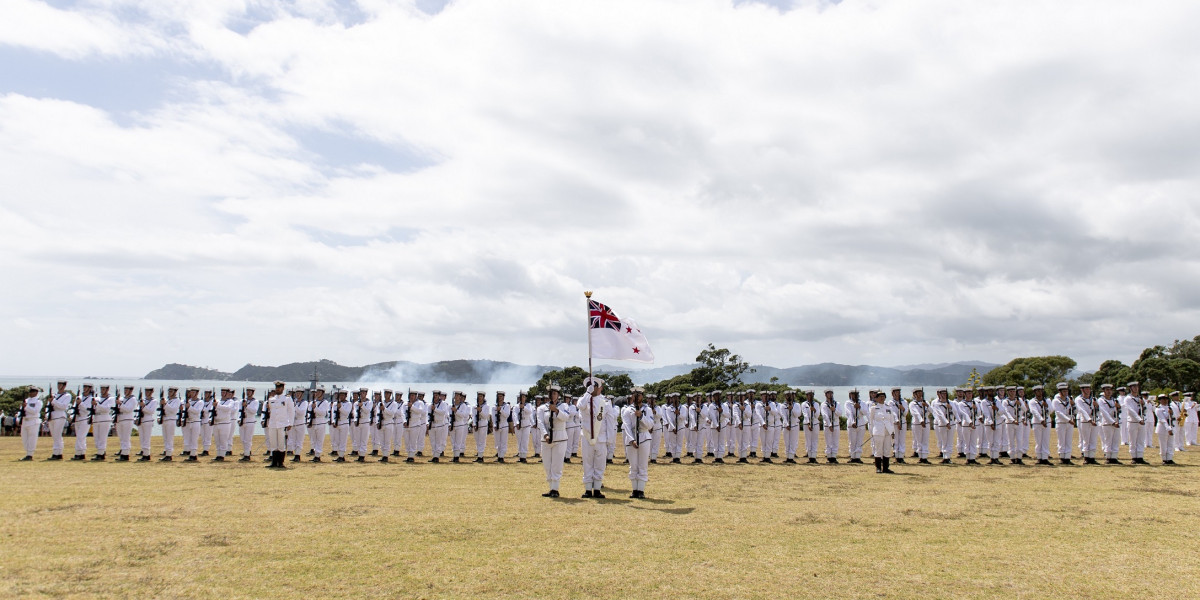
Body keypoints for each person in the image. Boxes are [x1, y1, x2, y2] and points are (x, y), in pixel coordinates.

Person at [578, 377, 612, 498]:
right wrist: (588, 393)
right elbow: (580, 406)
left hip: (601, 437)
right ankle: (588, 489)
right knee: (587, 463)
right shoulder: (584, 399)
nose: (593, 389)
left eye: (594, 387)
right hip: (587, 436)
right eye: (590, 387)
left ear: (599, 388)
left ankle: (597, 489)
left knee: (599, 464)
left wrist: (610, 439)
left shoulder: (605, 402)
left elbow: (610, 421)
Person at [622, 387, 654, 498]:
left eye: (639, 395)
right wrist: (632, 440)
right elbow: (626, 426)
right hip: (631, 439)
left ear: (642, 397)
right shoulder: (627, 410)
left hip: (644, 436)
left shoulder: (647, 409)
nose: (636, 397)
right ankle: (634, 490)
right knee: (633, 465)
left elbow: (650, 425)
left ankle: (641, 490)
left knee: (643, 465)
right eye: (634, 395)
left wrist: (641, 416)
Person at [538, 384, 569, 497]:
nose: (552, 396)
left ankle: (555, 489)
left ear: (558, 395)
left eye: (555, 394)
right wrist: (545, 435)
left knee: (557, 464)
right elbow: (540, 422)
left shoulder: (564, 406)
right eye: (551, 394)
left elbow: (566, 417)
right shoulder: (541, 408)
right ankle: (550, 487)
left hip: (560, 438)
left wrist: (555, 410)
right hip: (546, 439)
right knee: (547, 464)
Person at [264, 381, 294, 469]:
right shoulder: (271, 399)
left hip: (282, 424)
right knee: (273, 443)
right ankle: (274, 462)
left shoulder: (287, 399)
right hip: (273, 424)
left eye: (279, 388)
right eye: (276, 387)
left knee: (281, 444)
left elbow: (291, 411)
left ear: (282, 388)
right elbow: (270, 412)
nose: (277, 389)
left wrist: (290, 423)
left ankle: (280, 462)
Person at [868, 391, 897, 473]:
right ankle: (878, 467)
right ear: (876, 398)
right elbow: (871, 421)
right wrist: (872, 432)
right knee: (878, 450)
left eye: (883, 396)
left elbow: (891, 421)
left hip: (888, 431)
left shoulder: (888, 408)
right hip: (878, 431)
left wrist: (892, 431)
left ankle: (885, 468)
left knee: (887, 449)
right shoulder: (873, 408)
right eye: (880, 396)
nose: (882, 398)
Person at [1121, 382, 1148, 464]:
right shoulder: (1128, 398)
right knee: (1133, 440)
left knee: (1140, 440)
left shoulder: (1140, 398)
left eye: (1137, 386)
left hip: (1141, 421)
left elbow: (1145, 410)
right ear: (1130, 388)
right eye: (1134, 387)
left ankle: (1140, 456)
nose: (1136, 388)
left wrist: (1144, 405)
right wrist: (1138, 419)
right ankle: (1134, 457)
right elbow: (1130, 410)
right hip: (1133, 421)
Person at [43, 381, 69, 461]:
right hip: (52, 416)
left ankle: (57, 453)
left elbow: (63, 406)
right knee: (54, 436)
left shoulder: (67, 395)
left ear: (64, 386)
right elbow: (48, 406)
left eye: (61, 384)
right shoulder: (53, 395)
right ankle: (58, 452)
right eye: (58, 384)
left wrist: (53, 401)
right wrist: (47, 415)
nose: (59, 386)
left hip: (60, 416)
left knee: (57, 435)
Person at [1051, 382, 1075, 464]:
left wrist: (1073, 404)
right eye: (1064, 391)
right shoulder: (1056, 401)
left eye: (1066, 391)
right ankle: (1062, 457)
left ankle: (1067, 457)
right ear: (1060, 392)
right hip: (1061, 423)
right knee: (1061, 441)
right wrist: (1068, 420)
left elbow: (1075, 411)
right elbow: (1058, 412)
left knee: (1068, 441)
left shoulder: (1069, 400)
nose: (1066, 393)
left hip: (1069, 423)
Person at [1074, 383, 1099, 464]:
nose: (1088, 390)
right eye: (1086, 389)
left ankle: (1092, 457)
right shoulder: (1079, 399)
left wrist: (1097, 405)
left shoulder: (1093, 399)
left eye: (1089, 389)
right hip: (1085, 421)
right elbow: (1082, 410)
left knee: (1093, 439)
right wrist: (1089, 420)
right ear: (1082, 390)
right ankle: (1086, 457)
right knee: (1086, 440)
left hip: (1094, 421)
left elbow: (1098, 410)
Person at [1096, 384, 1121, 464]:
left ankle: (1114, 457)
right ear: (1103, 391)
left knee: (1115, 440)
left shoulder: (1114, 400)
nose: (1109, 392)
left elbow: (1117, 411)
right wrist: (1112, 422)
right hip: (1107, 423)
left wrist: (1118, 407)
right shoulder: (1101, 400)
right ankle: (1108, 457)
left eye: (1110, 390)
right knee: (1108, 441)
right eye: (1107, 390)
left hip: (1116, 422)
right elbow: (1104, 413)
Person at [90, 385, 115, 461]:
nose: (102, 391)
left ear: (107, 390)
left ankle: (100, 454)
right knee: (96, 437)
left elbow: (106, 409)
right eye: (101, 389)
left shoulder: (110, 399)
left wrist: (97, 405)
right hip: (96, 418)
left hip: (104, 418)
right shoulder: (97, 398)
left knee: (102, 437)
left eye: (104, 389)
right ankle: (100, 451)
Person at [17, 387, 42, 460]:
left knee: (32, 438)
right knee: (24, 438)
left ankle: (30, 455)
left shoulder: (38, 401)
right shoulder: (26, 400)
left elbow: (35, 411)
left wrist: (26, 406)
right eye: (30, 392)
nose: (30, 393)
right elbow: (20, 411)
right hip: (25, 420)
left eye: (32, 391)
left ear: (36, 392)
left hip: (33, 420)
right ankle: (27, 453)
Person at [71, 384, 96, 461]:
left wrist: (81, 403)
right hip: (78, 418)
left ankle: (78, 453)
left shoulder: (91, 398)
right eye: (84, 387)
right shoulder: (79, 397)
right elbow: (74, 407)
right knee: (80, 436)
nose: (84, 389)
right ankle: (82, 452)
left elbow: (87, 410)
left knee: (81, 436)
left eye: (86, 387)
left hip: (85, 418)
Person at [136, 386, 159, 461]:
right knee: (142, 438)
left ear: (152, 392)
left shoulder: (154, 401)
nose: (146, 393)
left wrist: (143, 406)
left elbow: (151, 411)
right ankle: (144, 452)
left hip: (147, 420)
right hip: (141, 420)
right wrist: (135, 418)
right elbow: (137, 410)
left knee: (146, 438)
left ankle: (147, 454)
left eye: (148, 391)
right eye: (146, 391)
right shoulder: (143, 400)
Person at [843, 390, 866, 463]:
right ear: (850, 395)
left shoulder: (862, 402)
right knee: (852, 441)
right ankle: (853, 456)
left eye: (856, 394)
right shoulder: (848, 403)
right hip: (852, 424)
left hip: (861, 423)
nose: (854, 396)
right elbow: (849, 413)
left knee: (859, 441)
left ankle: (858, 457)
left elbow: (865, 412)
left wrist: (860, 407)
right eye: (853, 394)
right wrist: (853, 422)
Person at [909, 388, 932, 464]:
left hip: (926, 423)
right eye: (917, 393)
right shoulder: (912, 404)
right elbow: (915, 413)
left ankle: (924, 457)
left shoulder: (926, 402)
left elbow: (932, 411)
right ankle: (920, 456)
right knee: (919, 440)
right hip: (917, 423)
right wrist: (921, 420)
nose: (919, 394)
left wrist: (927, 406)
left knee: (925, 440)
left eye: (920, 392)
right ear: (914, 395)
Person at [307, 388, 329, 462]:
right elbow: (309, 412)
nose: (317, 393)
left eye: (319, 392)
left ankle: (318, 455)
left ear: (322, 393)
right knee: (314, 439)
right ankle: (315, 453)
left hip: (321, 421)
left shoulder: (325, 402)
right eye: (317, 392)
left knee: (319, 440)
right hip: (313, 421)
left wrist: (315, 408)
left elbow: (323, 413)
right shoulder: (312, 403)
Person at [887, 388, 908, 463]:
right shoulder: (890, 402)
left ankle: (901, 456)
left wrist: (902, 408)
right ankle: (896, 455)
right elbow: (892, 413)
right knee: (896, 440)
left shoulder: (903, 402)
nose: (897, 394)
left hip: (903, 422)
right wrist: (897, 421)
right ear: (892, 394)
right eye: (895, 392)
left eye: (898, 392)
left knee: (902, 440)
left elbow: (906, 413)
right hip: (895, 423)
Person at [1154, 394, 1177, 465]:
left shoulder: (1170, 408)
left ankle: (1169, 458)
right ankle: (1164, 459)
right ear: (1160, 400)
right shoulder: (1158, 409)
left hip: (1171, 427)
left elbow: (1174, 417)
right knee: (1163, 444)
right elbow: (1162, 419)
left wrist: (1172, 413)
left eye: (1166, 399)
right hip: (1163, 428)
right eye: (1163, 399)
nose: (1165, 400)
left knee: (1170, 444)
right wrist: (1168, 429)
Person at [469, 392, 490, 463]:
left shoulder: (486, 406)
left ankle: (481, 456)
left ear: (483, 397)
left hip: (483, 423)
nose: (479, 398)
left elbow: (486, 416)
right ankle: (479, 454)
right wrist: (474, 424)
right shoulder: (474, 406)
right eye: (479, 396)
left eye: (481, 396)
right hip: (476, 424)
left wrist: (480, 411)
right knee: (477, 441)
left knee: (482, 441)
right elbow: (474, 416)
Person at [820, 390, 840, 463]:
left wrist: (835, 410)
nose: (830, 395)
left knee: (835, 441)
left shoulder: (837, 403)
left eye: (831, 393)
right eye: (828, 393)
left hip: (836, 424)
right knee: (828, 442)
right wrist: (829, 424)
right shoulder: (823, 404)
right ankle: (829, 457)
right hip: (828, 425)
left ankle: (834, 457)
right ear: (825, 395)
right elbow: (824, 415)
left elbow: (840, 413)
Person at [493, 391, 513, 462]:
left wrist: (500, 410)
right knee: (497, 442)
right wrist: (494, 425)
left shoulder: (506, 406)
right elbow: (493, 417)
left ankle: (502, 457)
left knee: (503, 442)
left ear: (503, 397)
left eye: (501, 396)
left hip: (504, 424)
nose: (499, 398)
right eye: (498, 396)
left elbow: (507, 415)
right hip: (497, 425)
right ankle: (499, 456)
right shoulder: (494, 406)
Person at [516, 392, 534, 463]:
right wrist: (517, 423)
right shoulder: (516, 406)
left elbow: (530, 412)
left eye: (523, 397)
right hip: (519, 425)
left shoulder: (529, 405)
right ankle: (520, 456)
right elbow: (514, 415)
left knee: (525, 441)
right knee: (519, 441)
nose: (522, 399)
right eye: (521, 397)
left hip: (526, 424)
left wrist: (523, 407)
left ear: (525, 398)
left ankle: (524, 456)